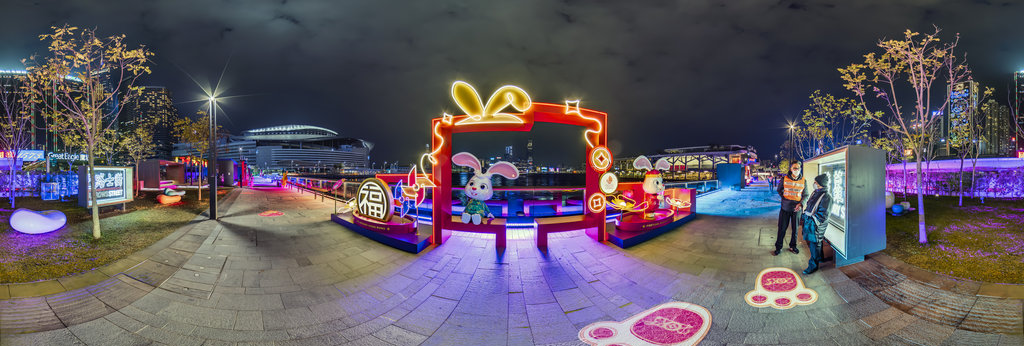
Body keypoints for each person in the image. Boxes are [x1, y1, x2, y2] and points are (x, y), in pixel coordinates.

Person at [774, 162, 807, 256]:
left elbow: (806, 194)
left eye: (798, 168)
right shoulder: (784, 179)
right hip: (785, 208)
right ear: (791, 169)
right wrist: (784, 199)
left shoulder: (803, 180)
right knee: (782, 228)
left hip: (797, 209)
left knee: (795, 229)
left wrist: (801, 204)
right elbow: (779, 190)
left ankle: (793, 246)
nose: (797, 169)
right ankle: (778, 247)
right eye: (795, 168)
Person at [802, 174, 832, 274]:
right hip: (812, 222)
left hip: (816, 225)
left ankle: (813, 266)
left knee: (815, 244)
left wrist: (812, 220)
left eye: (816, 182)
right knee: (817, 242)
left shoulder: (826, 197)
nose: (814, 183)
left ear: (820, 184)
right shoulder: (816, 193)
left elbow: (823, 215)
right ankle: (820, 258)